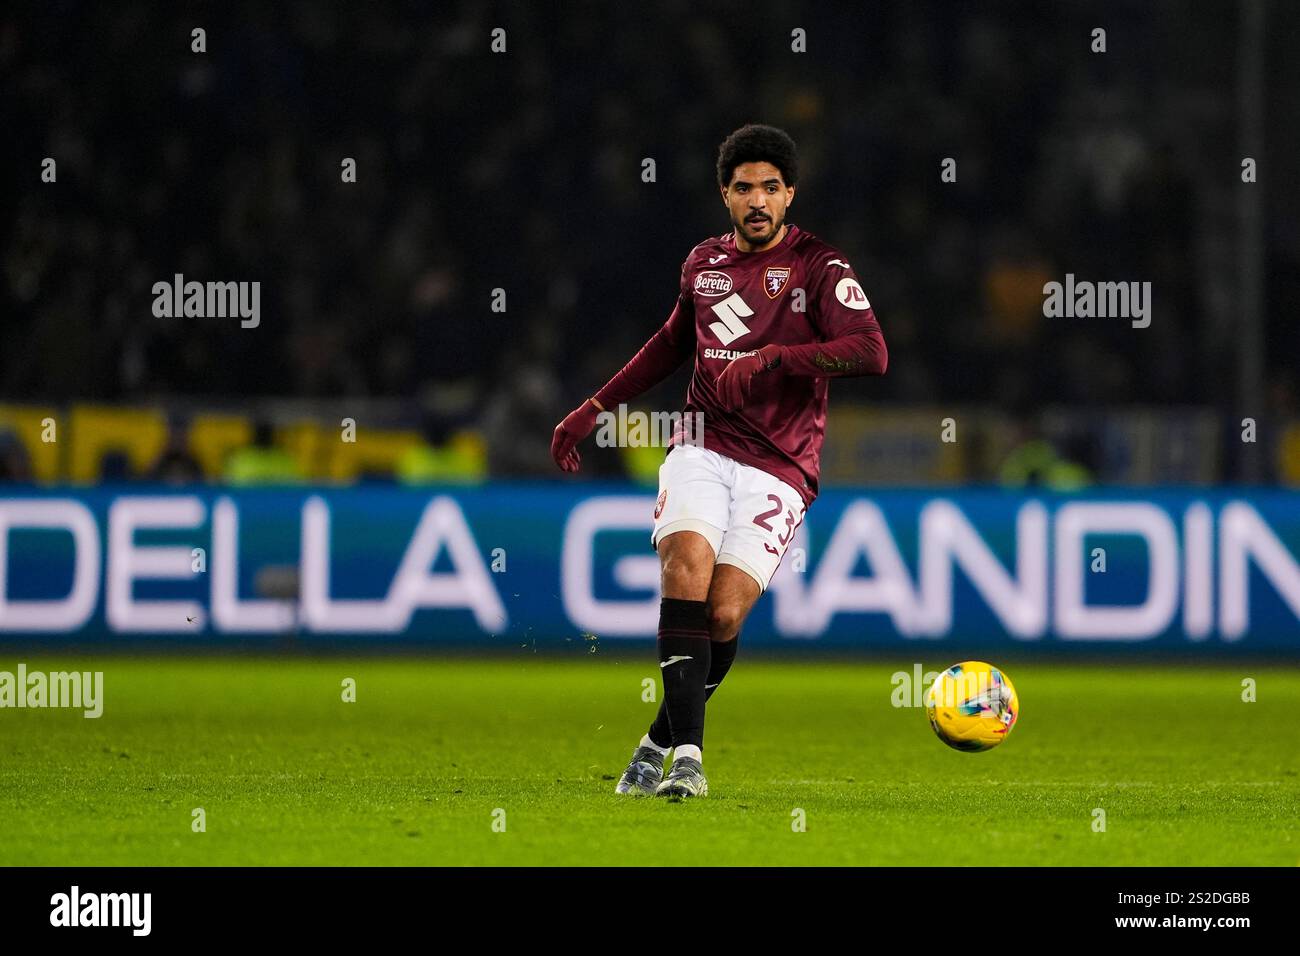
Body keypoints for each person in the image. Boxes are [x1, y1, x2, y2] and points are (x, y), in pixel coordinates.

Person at [551, 124, 888, 798]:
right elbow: (669, 345)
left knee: (724, 615)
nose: (757, 200)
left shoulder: (819, 268)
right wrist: (595, 405)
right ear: (725, 196)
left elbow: (870, 351)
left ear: (790, 194)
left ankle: (653, 745)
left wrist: (773, 360)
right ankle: (689, 761)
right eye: (743, 188)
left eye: (770, 187)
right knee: (686, 566)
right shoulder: (703, 266)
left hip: (781, 465)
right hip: (700, 444)